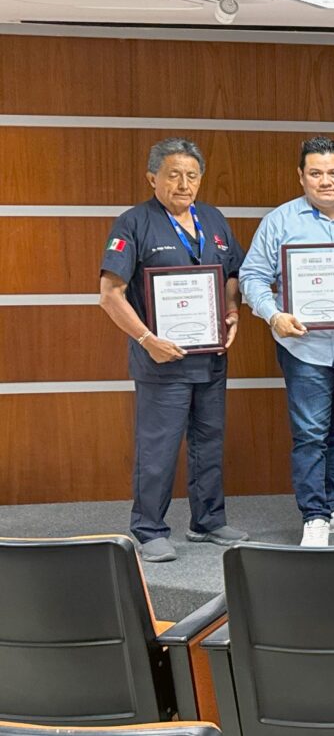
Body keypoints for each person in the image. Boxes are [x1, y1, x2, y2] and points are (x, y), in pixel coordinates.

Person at [98, 137, 246, 563]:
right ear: (153, 178)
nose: (184, 184)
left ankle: (208, 521)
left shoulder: (214, 219)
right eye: (173, 175)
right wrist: (147, 340)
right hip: (161, 361)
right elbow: (110, 294)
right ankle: (148, 529)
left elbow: (231, 272)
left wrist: (232, 310)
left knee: (210, 442)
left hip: (211, 358)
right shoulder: (134, 223)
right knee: (158, 448)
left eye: (192, 175)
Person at [240, 136, 334, 547]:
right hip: (305, 348)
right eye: (316, 173)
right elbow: (252, 277)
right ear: (301, 176)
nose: (326, 181)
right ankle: (315, 515)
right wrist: (274, 315)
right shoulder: (280, 222)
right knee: (310, 433)